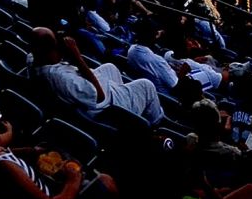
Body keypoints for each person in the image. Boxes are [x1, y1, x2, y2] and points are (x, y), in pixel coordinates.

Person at [30, 26, 165, 125]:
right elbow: (100, 96)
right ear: (49, 51)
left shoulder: (32, 59)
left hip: (95, 89)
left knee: (110, 67)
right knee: (146, 85)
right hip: (103, 106)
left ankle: (129, 107)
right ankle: (156, 122)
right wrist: (78, 58)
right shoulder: (61, 78)